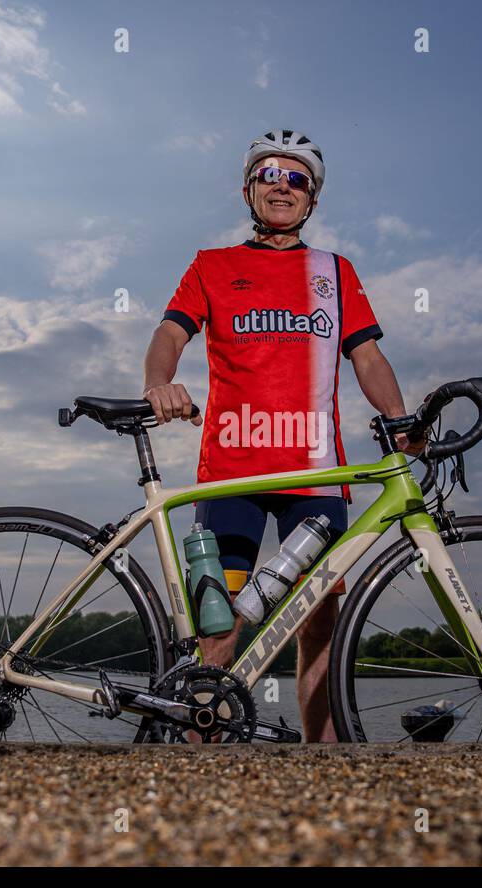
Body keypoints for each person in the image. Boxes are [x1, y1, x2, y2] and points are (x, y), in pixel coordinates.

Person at [142, 130, 424, 742]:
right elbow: (170, 333)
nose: (283, 185)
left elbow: (367, 358)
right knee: (219, 625)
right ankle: (197, 758)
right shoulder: (212, 265)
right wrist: (159, 382)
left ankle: (321, 761)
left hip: (315, 472)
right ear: (249, 189)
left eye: (298, 178)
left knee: (318, 618)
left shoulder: (334, 271)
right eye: (270, 173)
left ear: (312, 199)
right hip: (232, 471)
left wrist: (400, 419)